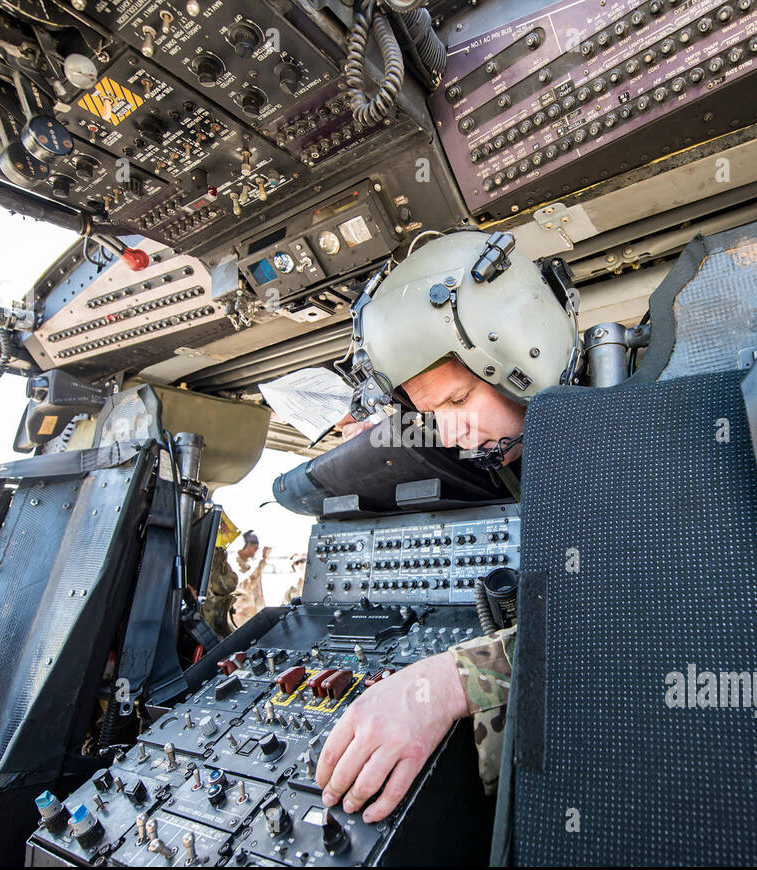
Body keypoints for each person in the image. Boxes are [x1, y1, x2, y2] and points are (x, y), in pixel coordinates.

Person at [318, 229, 579, 823]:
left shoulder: (641, 428)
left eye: (458, 401)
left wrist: (443, 684)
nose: (450, 435)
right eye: (431, 415)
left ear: (525, 351)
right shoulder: (525, 453)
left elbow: (634, 617)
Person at [229, 530, 270, 626]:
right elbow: (244, 585)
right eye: (253, 543)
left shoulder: (249, 566)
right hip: (240, 622)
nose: (257, 547)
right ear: (242, 544)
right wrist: (262, 560)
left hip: (254, 620)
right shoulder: (231, 565)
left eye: (257, 544)